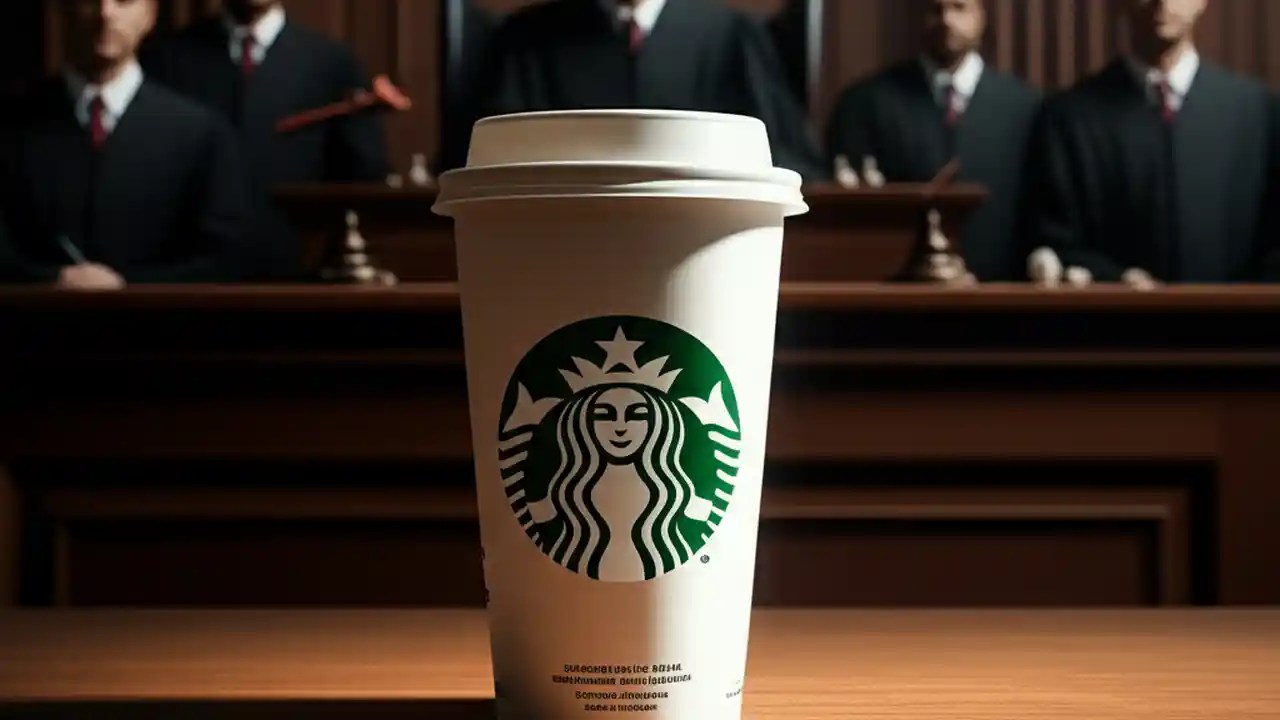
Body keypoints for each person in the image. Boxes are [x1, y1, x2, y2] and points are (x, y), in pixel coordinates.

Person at [0, 0, 250, 288]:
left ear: (150, 15)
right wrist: (54, 279)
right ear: (62, 9)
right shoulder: (10, 124)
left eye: (124, 0)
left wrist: (125, 287)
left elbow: (226, 259)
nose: (106, 13)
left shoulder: (201, 133)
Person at [1025, 0, 1277, 284]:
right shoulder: (1069, 117)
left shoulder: (1257, 112)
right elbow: (1054, 240)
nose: (1162, 2)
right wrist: (1115, 278)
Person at [141, 0, 390, 279]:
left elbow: (363, 177)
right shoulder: (166, 58)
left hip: (298, 276)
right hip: (188, 275)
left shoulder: (332, 62)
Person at [454, 0, 826, 180]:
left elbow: (786, 160)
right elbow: (483, 160)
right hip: (561, 244)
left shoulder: (732, 38)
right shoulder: (527, 39)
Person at [826, 0, 1040, 281]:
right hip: (893, 297)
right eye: (935, 9)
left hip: (1000, 295)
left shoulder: (1025, 107)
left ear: (981, 16)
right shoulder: (864, 103)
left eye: (959, 7)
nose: (947, 20)